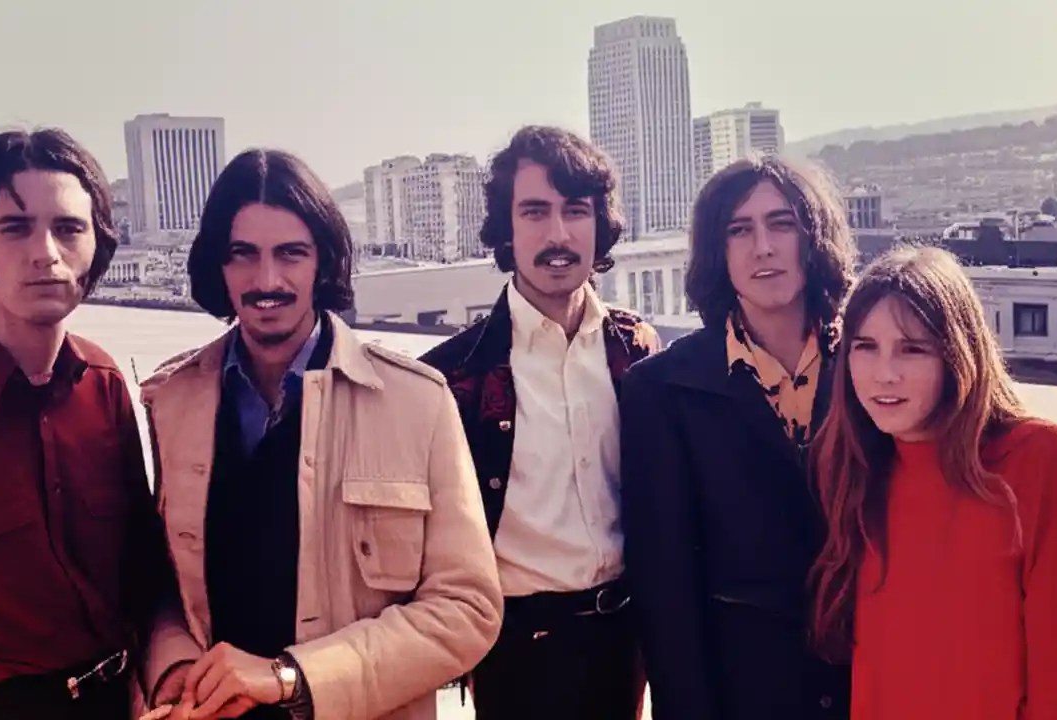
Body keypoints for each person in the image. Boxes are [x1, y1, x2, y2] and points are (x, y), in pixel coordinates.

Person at [139, 148, 502, 720]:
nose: (267, 280)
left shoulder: (416, 401)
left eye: (291, 254)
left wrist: (289, 677)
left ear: (323, 262)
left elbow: (466, 608)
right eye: (243, 255)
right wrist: (178, 672)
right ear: (219, 266)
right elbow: (162, 584)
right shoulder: (173, 403)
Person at [0, 128, 162, 719]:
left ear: (99, 244)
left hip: (121, 701)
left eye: (69, 228)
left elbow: (140, 560)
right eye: (15, 228)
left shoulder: (103, 382)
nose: (45, 252)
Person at [420, 125, 661, 720]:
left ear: (599, 223)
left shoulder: (636, 351)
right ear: (506, 228)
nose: (557, 234)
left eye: (575, 211)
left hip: (628, 640)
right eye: (534, 211)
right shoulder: (452, 377)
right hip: (515, 652)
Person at [808, 246, 1057, 719]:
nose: (884, 374)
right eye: (865, 347)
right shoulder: (853, 467)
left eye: (912, 348)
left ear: (957, 353)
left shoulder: (1039, 460)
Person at [620, 155, 857, 718]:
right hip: (744, 695)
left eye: (782, 223)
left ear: (813, 237)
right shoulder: (662, 389)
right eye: (739, 229)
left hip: (870, 683)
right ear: (716, 250)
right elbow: (665, 592)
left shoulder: (867, 366)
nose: (763, 246)